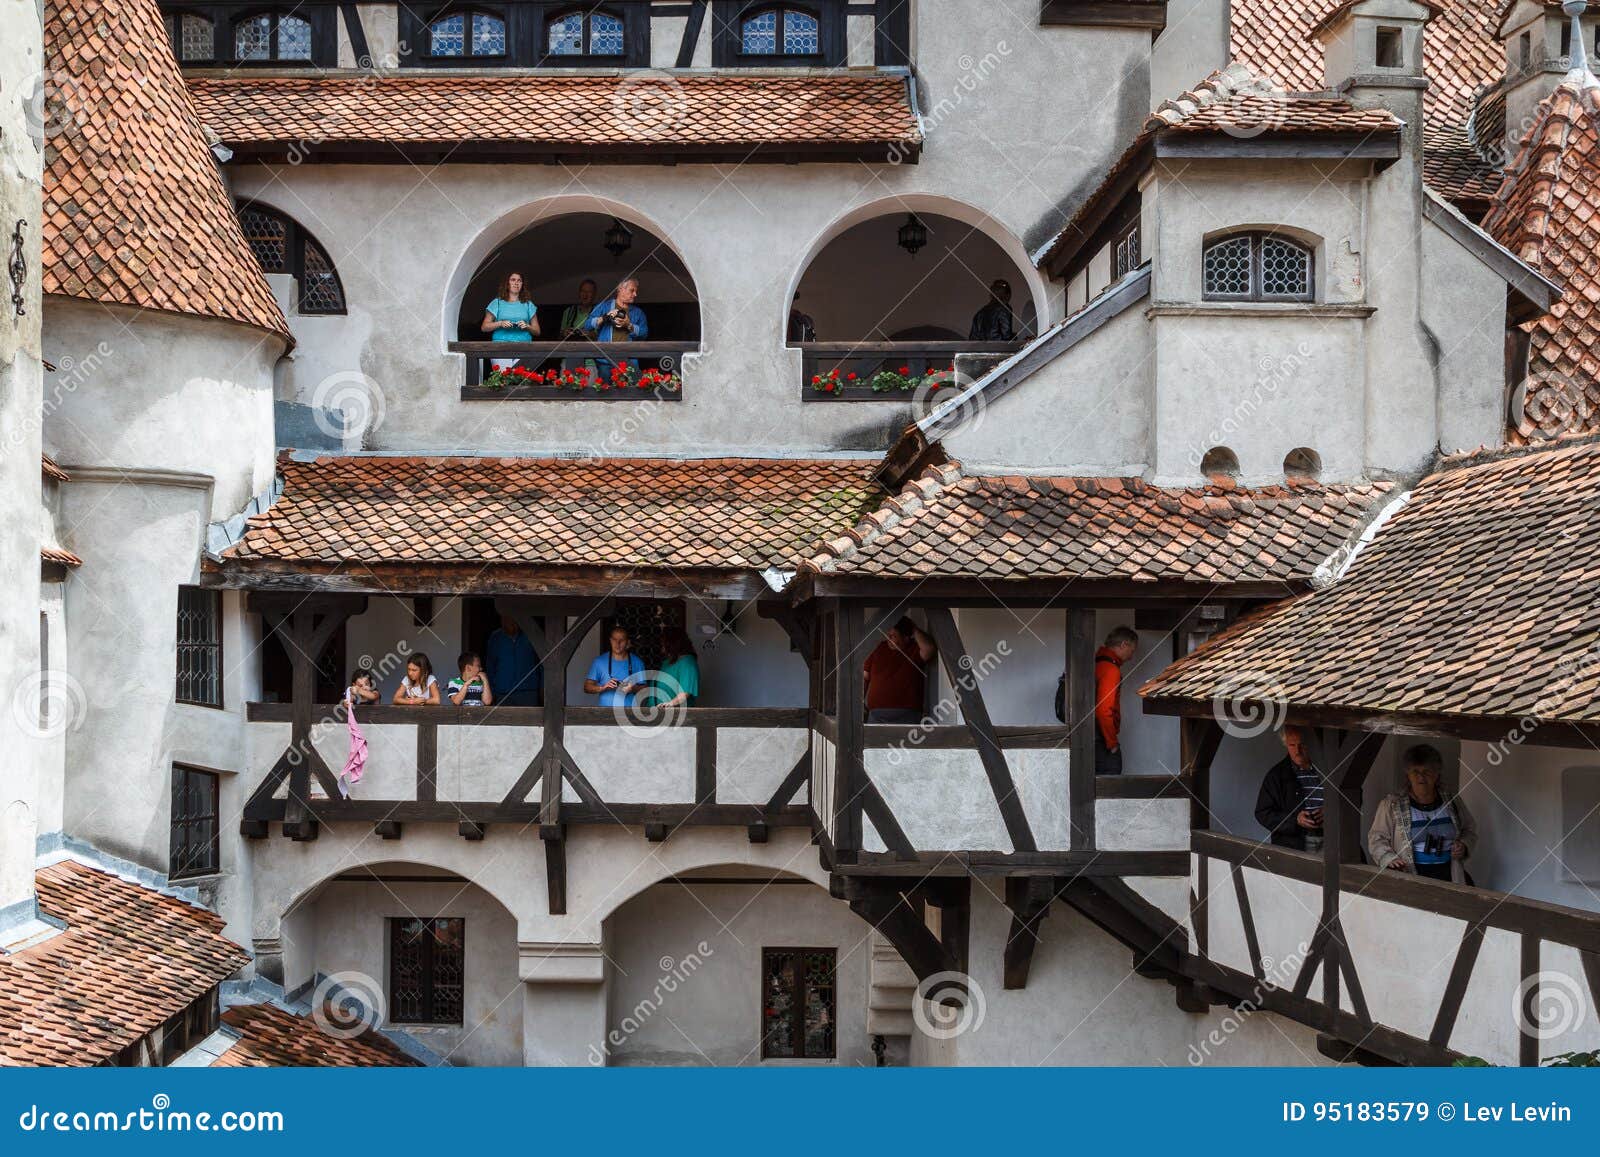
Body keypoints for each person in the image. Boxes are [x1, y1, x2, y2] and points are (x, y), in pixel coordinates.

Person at [1368, 744, 1477, 883]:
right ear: (1408, 775)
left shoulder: (1452, 801)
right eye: (1415, 771)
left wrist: (1463, 845)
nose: (1421, 777)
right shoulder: (1392, 804)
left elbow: (1469, 829)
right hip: (1410, 875)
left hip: (1450, 874)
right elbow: (1376, 837)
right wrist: (1389, 858)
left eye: (1427, 771)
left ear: (1437, 774)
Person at [1254, 725, 1325, 851]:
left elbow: (1352, 798)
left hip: (1330, 839)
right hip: (1293, 845)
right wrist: (1295, 820)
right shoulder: (1276, 775)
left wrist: (1330, 813)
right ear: (1285, 744)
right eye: (1292, 745)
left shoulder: (1327, 769)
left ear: (1311, 744)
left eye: (1301, 744)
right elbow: (1263, 813)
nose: (1297, 751)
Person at [862, 617, 935, 724]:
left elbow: (930, 649)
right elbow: (864, 677)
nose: (888, 638)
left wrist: (913, 628)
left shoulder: (914, 649)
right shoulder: (877, 648)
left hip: (907, 714)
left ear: (906, 638)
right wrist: (859, 703)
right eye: (888, 635)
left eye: (893, 636)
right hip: (876, 714)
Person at [583, 277, 649, 378]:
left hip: (630, 360)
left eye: (636, 291)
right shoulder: (604, 306)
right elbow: (587, 325)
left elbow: (644, 334)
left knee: (633, 390)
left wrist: (628, 325)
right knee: (605, 391)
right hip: (605, 360)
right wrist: (605, 317)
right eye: (632, 290)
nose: (635, 294)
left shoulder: (638, 312)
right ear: (620, 289)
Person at [1094, 626, 1138, 774]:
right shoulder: (1110, 670)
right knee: (1110, 786)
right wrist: (1112, 743)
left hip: (1089, 736)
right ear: (1124, 645)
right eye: (1132, 650)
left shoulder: (1095, 663)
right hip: (1101, 740)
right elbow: (1103, 710)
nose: (1131, 657)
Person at [482, 271, 540, 371]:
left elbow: (537, 331)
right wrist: (500, 323)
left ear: (522, 285)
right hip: (500, 347)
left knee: (520, 381)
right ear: (507, 283)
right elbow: (484, 327)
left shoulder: (528, 304)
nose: (516, 283)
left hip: (524, 347)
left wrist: (527, 326)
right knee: (504, 379)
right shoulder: (497, 303)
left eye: (519, 281)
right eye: (513, 280)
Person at [485, 614, 542, 707]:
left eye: (514, 619)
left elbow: (541, 663)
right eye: (507, 619)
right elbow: (490, 666)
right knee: (503, 721)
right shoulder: (495, 637)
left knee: (530, 721)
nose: (511, 622)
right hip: (503, 692)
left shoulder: (531, 635)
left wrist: (542, 688)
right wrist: (492, 690)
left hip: (528, 691)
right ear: (502, 620)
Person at [584, 625, 646, 708]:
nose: (618, 643)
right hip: (605, 713)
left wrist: (633, 688)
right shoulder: (599, 662)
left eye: (622, 640)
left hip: (629, 713)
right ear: (610, 640)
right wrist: (603, 687)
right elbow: (587, 687)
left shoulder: (637, 662)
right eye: (614, 639)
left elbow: (644, 690)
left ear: (627, 642)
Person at [340, 670, 378, 797]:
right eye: (360, 685)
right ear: (353, 685)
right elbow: (348, 700)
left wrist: (359, 690)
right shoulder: (354, 697)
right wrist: (347, 701)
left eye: (366, 684)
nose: (364, 687)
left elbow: (372, 697)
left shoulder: (375, 693)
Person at [648, 630, 700, 708]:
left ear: (672, 644)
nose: (661, 647)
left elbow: (685, 692)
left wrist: (670, 703)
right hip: (657, 713)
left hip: (675, 714)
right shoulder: (667, 662)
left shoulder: (687, 663)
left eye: (663, 644)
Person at [559, 278, 599, 374]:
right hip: (569, 359)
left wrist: (589, 334)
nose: (585, 295)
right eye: (583, 291)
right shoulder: (569, 312)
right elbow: (559, 337)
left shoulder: (599, 312)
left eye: (589, 292)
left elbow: (604, 338)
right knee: (565, 388)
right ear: (579, 293)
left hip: (591, 363)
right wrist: (565, 333)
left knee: (590, 389)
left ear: (594, 295)